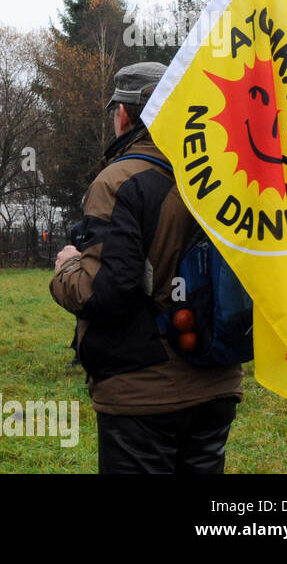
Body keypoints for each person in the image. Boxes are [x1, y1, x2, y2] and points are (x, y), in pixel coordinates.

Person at [50, 62, 243, 474]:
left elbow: (104, 293)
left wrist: (67, 268)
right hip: (219, 382)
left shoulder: (120, 180)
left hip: (142, 393)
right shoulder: (226, 174)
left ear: (123, 114)